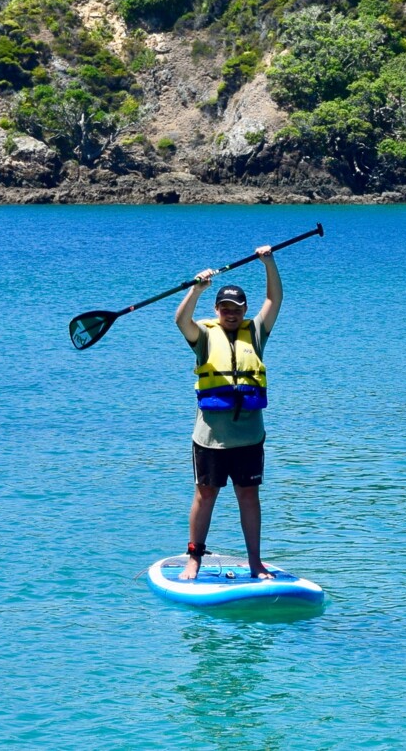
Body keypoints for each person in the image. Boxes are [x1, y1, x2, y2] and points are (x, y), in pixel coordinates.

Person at [173, 247, 281, 580]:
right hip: (210, 438)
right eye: (224, 308)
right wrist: (197, 289)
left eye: (235, 308)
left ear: (244, 309)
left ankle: (255, 563)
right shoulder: (205, 335)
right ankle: (194, 558)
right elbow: (181, 321)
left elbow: (274, 300)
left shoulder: (257, 332)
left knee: (249, 497)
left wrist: (269, 263)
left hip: (249, 436)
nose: (230, 314)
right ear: (217, 310)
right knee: (205, 496)